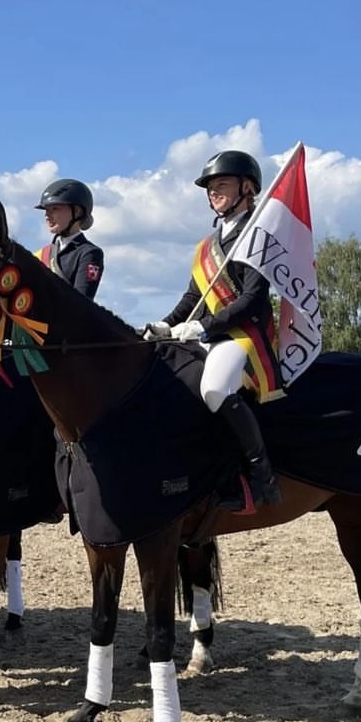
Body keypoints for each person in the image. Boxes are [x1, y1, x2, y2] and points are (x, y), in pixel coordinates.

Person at [143, 150, 282, 511]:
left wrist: (202, 327)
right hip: (211, 332)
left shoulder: (258, 236)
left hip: (245, 333)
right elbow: (194, 295)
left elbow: (252, 299)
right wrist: (166, 324)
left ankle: (261, 480)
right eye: (210, 187)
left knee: (214, 388)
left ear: (247, 188)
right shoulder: (207, 245)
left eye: (221, 184)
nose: (213, 192)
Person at [34, 179, 104, 301]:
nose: (47, 216)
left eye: (55, 208)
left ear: (76, 211)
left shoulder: (89, 253)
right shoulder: (44, 253)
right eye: (46, 210)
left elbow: (81, 302)